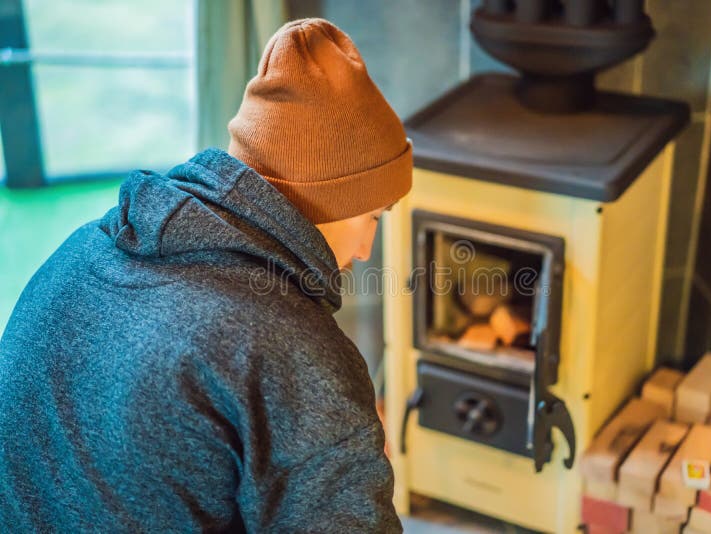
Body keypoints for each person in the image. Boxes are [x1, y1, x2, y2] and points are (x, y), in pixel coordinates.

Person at [0, 18, 411, 533]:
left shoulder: (79, 250)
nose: (368, 249)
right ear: (330, 201)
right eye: (373, 216)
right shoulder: (293, 351)